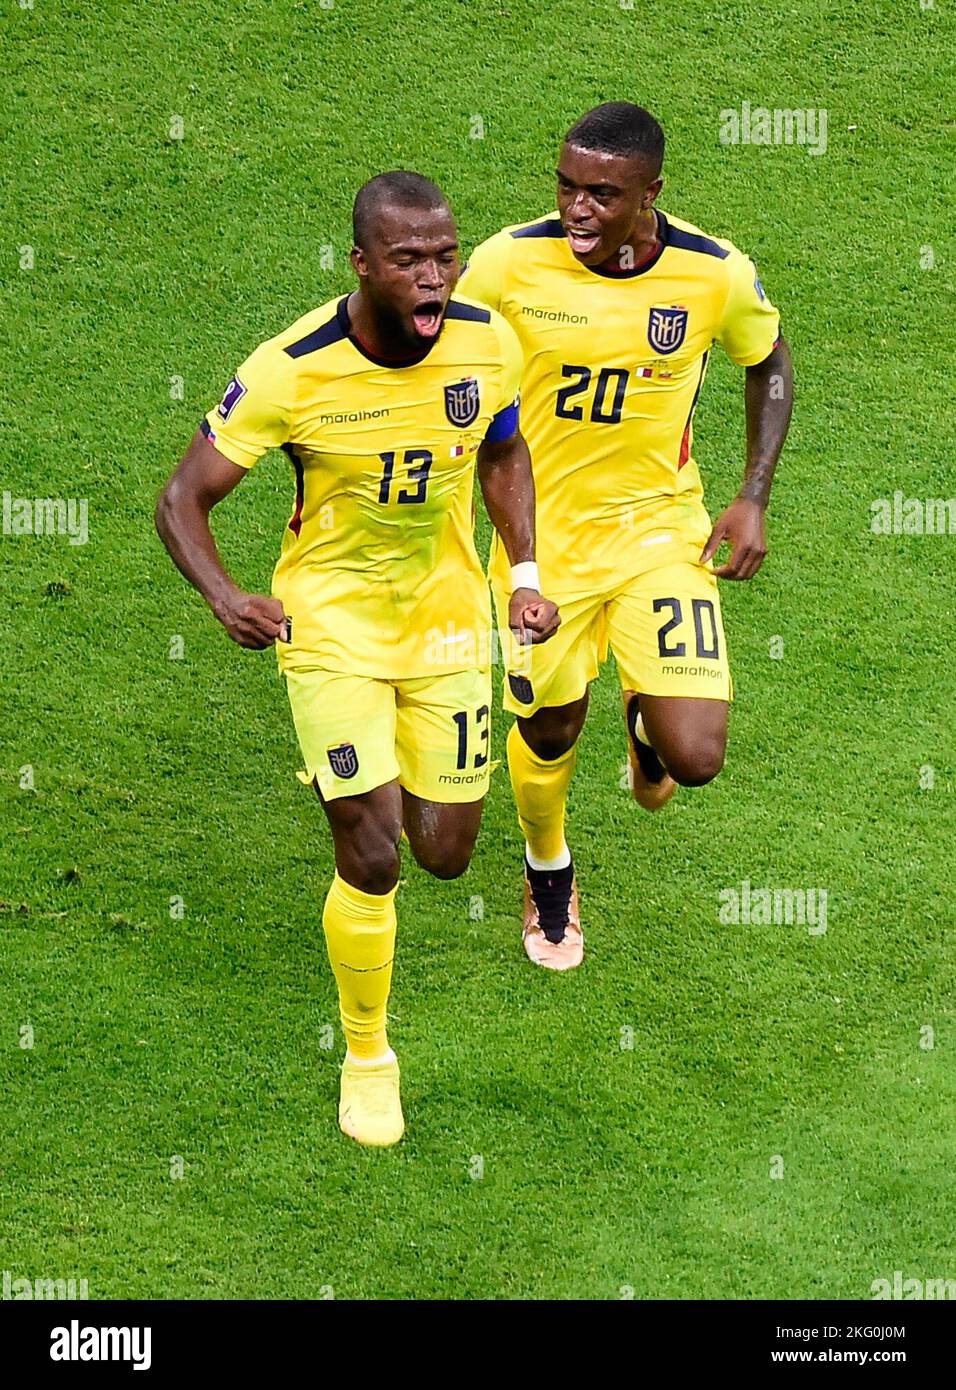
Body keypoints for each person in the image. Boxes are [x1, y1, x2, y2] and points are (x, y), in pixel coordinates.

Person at [155, 171, 559, 1145]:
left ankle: (377, 783)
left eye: (444, 256)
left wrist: (524, 574)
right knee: (373, 851)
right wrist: (224, 596)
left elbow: (502, 451)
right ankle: (368, 1053)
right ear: (362, 265)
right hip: (327, 624)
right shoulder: (290, 369)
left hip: (448, 620)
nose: (432, 278)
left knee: (445, 852)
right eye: (409, 260)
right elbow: (182, 499)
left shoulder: (483, 341)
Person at [461, 103, 793, 970]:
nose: (576, 209)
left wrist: (752, 494)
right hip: (542, 548)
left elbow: (768, 359)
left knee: (696, 756)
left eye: (600, 194)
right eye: (566, 187)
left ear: (651, 193)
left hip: (659, 533)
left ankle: (646, 726)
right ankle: (548, 869)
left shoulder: (711, 274)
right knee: (551, 732)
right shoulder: (506, 264)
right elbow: (438, 348)